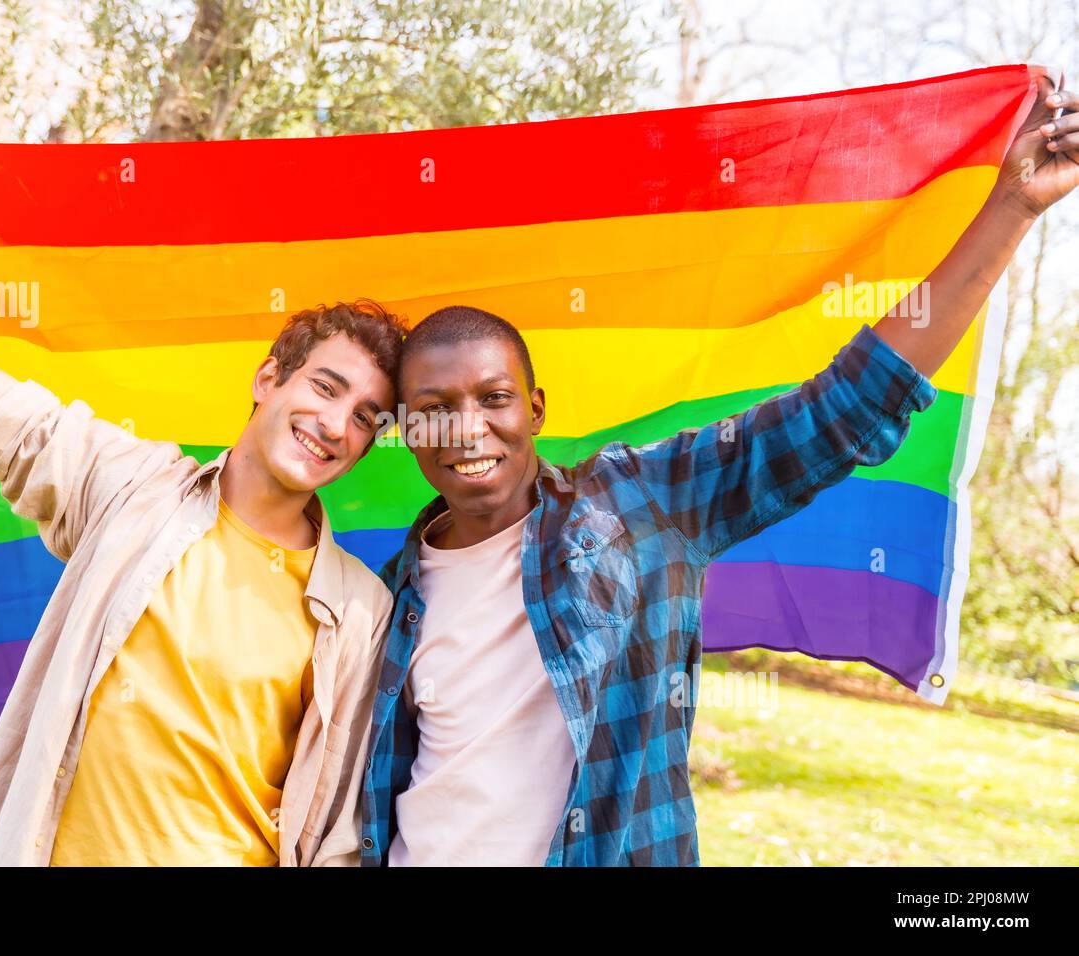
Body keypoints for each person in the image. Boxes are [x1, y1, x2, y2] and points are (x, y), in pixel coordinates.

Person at [358, 73, 1079, 866]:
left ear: (535, 409)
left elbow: (846, 408)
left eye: (493, 397)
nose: (469, 428)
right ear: (404, 427)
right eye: (435, 405)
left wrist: (1013, 206)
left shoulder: (641, 504)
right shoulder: (389, 591)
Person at [0, 164, 404, 866]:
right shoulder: (129, 486)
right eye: (324, 388)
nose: (334, 424)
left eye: (364, 417)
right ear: (268, 379)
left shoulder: (360, 609)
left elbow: (337, 832)